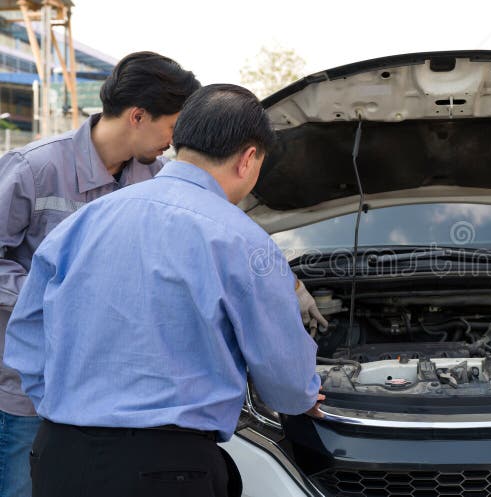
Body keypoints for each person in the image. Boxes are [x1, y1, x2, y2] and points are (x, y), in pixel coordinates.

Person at [3, 83, 323, 497]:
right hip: (164, 469)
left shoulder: (84, 221)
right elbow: (287, 385)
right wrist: (306, 391)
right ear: (248, 160)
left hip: (58, 456)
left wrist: (73, 408)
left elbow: (27, 334)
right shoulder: (243, 241)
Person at [0, 51, 200, 497]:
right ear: (137, 116)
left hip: (113, 397)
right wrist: (54, 298)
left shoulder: (157, 180)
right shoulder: (35, 169)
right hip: (30, 388)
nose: (174, 140)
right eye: (172, 126)